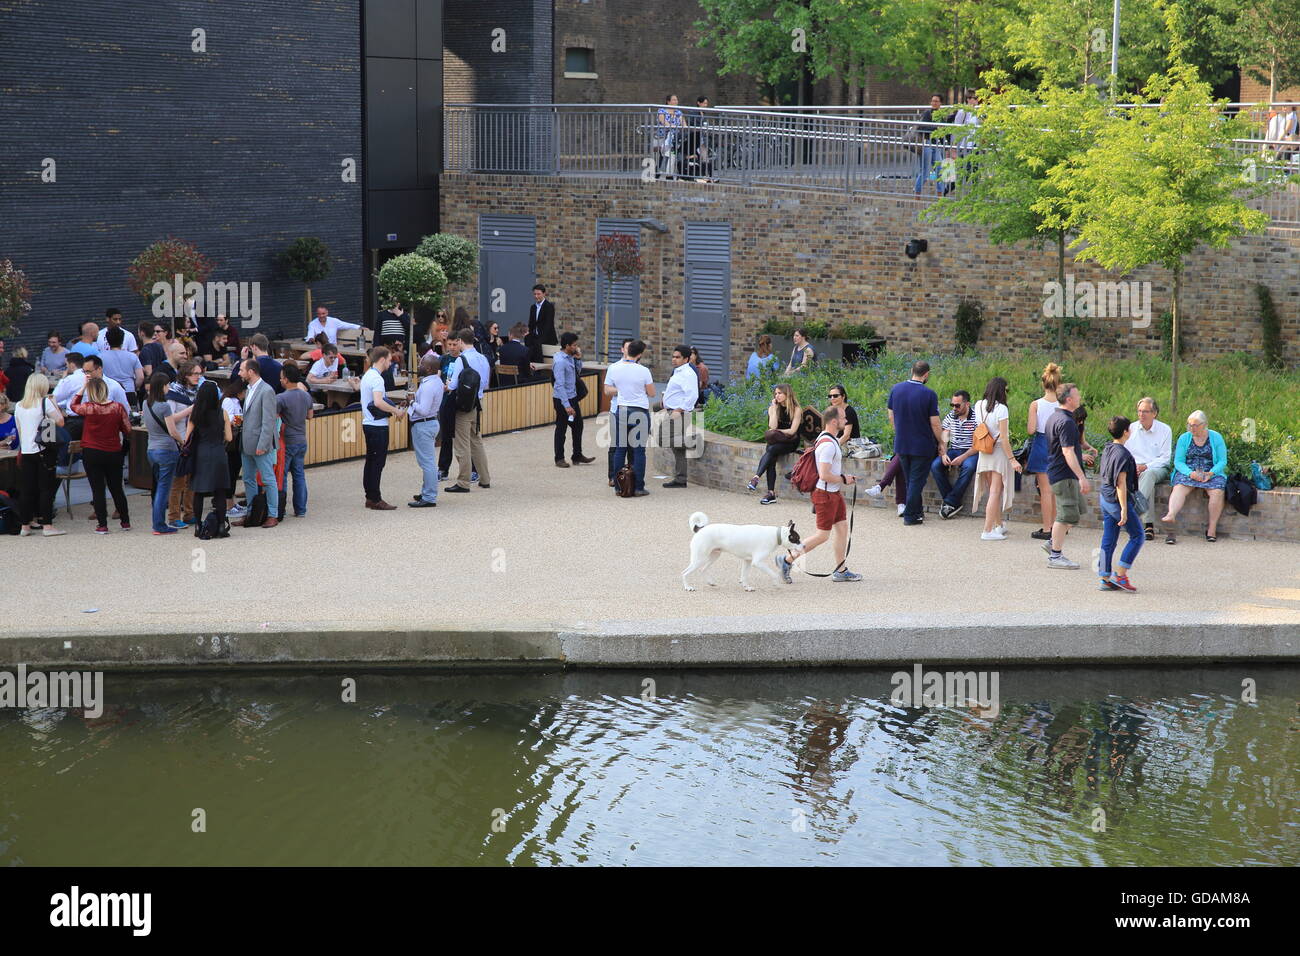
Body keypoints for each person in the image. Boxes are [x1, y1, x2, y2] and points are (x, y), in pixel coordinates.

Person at [777, 406, 862, 584]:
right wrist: (844, 478)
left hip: (833, 493)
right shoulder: (829, 445)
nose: (846, 421)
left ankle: (841, 569)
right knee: (822, 535)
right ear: (833, 421)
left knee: (842, 529)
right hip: (825, 494)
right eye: (843, 418)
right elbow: (824, 474)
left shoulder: (827, 438)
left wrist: (842, 480)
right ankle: (786, 560)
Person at [70, 377, 132, 533]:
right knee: (116, 487)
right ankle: (125, 521)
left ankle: (102, 524)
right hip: (113, 451)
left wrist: (83, 387)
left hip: (91, 451)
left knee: (97, 489)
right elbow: (127, 429)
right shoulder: (117, 408)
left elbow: (73, 406)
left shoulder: (89, 408)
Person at [887, 360, 942, 526]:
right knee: (917, 481)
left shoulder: (896, 389)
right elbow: (935, 423)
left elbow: (891, 415)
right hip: (922, 445)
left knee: (911, 480)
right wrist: (942, 442)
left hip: (902, 443)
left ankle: (917, 512)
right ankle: (910, 516)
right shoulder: (929, 394)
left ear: (912, 371)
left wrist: (900, 431)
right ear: (926, 374)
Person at [1161, 409, 1228, 543]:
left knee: (1217, 492)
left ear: (1204, 425)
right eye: (1190, 425)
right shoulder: (1184, 438)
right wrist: (1190, 473)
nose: (1192, 428)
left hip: (1210, 472)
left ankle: (1212, 529)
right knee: (1179, 487)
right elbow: (1178, 461)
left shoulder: (1216, 437)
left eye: (1195, 425)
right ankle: (1171, 515)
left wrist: (1211, 473)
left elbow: (1222, 461)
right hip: (1189, 471)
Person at [13, 373, 66, 536]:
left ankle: (25, 525)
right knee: (46, 489)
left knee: (27, 489)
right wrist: (55, 404)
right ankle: (48, 525)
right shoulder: (45, 402)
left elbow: (20, 428)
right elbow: (61, 421)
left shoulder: (19, 405)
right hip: (43, 450)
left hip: (27, 450)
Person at [1044, 383, 1090, 569]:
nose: (1079, 398)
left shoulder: (1055, 417)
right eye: (1077, 396)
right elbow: (1067, 452)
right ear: (1069, 400)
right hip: (1064, 475)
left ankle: (1054, 541)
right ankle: (1055, 556)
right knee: (1066, 515)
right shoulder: (1067, 422)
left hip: (1062, 473)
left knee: (1077, 511)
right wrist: (1081, 477)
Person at [603, 338, 655, 497]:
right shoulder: (644, 370)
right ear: (639, 354)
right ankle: (638, 487)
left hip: (622, 410)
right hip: (639, 410)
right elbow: (652, 393)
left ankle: (619, 487)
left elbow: (607, 389)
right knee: (639, 451)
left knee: (620, 449)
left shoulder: (614, 368)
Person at [234, 357, 282, 527]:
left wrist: (263, 445)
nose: (239, 372)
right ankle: (252, 514)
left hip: (260, 444)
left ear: (251, 372)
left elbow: (268, 421)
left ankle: (272, 514)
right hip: (247, 443)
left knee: (268, 479)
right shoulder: (249, 389)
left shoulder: (266, 390)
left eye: (241, 369)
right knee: (248, 479)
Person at [1097, 415, 1143, 592]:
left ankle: (1104, 577)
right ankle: (1121, 575)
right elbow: (1120, 484)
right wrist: (1124, 509)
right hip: (1116, 501)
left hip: (1105, 498)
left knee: (1108, 539)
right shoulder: (1123, 454)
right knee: (1138, 535)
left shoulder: (1108, 447)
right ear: (1126, 432)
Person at [974, 377, 1022, 540]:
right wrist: (1012, 459)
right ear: (1002, 391)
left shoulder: (978, 404)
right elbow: (1004, 438)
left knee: (992, 491)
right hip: (998, 452)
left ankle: (998, 525)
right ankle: (987, 530)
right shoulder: (1002, 409)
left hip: (983, 450)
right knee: (996, 492)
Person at [445, 330, 492, 494]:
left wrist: (447, 384)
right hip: (477, 403)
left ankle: (463, 482)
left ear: (460, 341)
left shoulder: (461, 359)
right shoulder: (483, 358)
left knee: (462, 444)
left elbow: (452, 386)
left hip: (463, 406)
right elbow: (485, 384)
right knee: (476, 441)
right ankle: (485, 479)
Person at [359, 346, 406, 509]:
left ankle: (370, 496)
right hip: (377, 426)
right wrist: (396, 411)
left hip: (369, 423)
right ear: (382, 360)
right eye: (389, 359)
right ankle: (375, 498)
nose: (390, 362)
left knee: (371, 461)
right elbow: (378, 402)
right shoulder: (377, 379)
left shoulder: (368, 375)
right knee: (377, 463)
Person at [185, 380, 233, 538]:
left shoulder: (196, 413)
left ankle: (198, 526)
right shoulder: (223, 412)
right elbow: (229, 437)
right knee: (219, 491)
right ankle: (220, 526)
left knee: (198, 491)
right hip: (219, 453)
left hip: (201, 454)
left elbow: (187, 438)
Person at [1126, 396, 1174, 541]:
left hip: (1157, 468)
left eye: (1145, 411)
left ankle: (1131, 512)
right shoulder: (1131, 428)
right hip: (1135, 468)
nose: (1141, 414)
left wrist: (1146, 466)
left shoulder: (1165, 429)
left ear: (1154, 413)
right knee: (1148, 484)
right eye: (1139, 411)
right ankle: (1148, 526)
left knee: (1148, 475)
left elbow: (1165, 458)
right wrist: (1133, 466)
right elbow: (1125, 452)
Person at [747, 383, 801, 505]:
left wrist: (777, 432)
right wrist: (774, 409)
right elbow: (773, 426)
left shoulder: (796, 409)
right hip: (776, 441)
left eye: (780, 393)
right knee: (771, 451)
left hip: (790, 441)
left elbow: (792, 431)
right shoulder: (773, 408)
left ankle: (757, 479)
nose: (777, 396)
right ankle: (769, 492)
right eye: (775, 393)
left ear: (787, 394)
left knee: (771, 448)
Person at [1025, 362, 1062, 541]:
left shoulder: (1036, 404)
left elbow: (1031, 430)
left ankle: (1047, 528)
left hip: (1041, 444)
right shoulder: (1062, 404)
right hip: (1059, 446)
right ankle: (1057, 525)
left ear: (1043, 383)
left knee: (1045, 491)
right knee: (1055, 490)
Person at [143, 373, 183, 535]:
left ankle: (158, 522)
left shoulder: (146, 403)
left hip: (151, 449)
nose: (169, 388)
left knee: (159, 486)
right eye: (167, 385)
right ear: (162, 386)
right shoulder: (164, 406)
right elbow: (172, 431)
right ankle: (159, 524)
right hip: (166, 449)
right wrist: (182, 441)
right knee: (163, 489)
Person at [932, 389, 979, 518]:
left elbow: (977, 445)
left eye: (957, 405)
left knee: (968, 467)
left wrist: (963, 457)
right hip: (954, 450)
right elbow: (944, 439)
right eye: (952, 405)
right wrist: (944, 454)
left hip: (971, 452)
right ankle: (952, 502)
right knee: (935, 465)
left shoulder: (976, 418)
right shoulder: (950, 416)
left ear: (967, 404)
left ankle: (949, 502)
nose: (954, 408)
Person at [658, 344, 699, 488]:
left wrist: (679, 409)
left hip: (678, 413)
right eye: (673, 356)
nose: (674, 359)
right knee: (678, 449)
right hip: (672, 410)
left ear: (686, 359)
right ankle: (681, 480)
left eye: (677, 357)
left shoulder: (687, 373)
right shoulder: (678, 371)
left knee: (661, 438)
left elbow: (693, 395)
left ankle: (694, 440)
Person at [408, 352, 445, 509]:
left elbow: (423, 410)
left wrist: (412, 402)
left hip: (424, 424)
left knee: (427, 463)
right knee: (427, 461)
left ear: (429, 368)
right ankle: (426, 492)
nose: (418, 366)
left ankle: (429, 496)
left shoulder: (429, 385)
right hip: (428, 423)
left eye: (421, 363)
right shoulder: (435, 381)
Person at [277, 364, 314, 518]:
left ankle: (281, 509)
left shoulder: (281, 398)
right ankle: (300, 510)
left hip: (287, 441)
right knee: (299, 475)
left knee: (283, 475)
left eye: (281, 377)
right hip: (301, 439)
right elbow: (310, 416)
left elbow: (274, 418)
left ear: (285, 379)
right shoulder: (306, 395)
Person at [552, 332, 593, 467]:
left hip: (572, 397)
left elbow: (577, 373)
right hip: (563, 400)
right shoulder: (560, 362)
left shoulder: (570, 357)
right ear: (567, 345)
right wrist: (567, 405)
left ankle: (577, 455)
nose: (577, 347)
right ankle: (559, 458)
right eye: (574, 345)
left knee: (578, 426)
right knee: (561, 428)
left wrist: (578, 359)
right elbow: (559, 385)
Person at [606, 338, 634, 487]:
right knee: (615, 446)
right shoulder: (614, 367)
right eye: (627, 348)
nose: (629, 350)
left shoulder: (639, 368)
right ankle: (613, 476)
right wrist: (623, 390)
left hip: (634, 411)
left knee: (632, 446)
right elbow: (607, 390)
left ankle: (630, 476)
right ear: (622, 350)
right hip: (617, 410)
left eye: (632, 348)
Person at [913, 93, 952, 196]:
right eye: (933, 101)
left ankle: (940, 196)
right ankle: (917, 194)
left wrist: (947, 147)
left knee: (940, 170)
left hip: (936, 145)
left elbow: (943, 133)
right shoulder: (927, 113)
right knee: (925, 172)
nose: (934, 103)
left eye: (936, 101)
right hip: (926, 144)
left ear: (940, 103)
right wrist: (935, 128)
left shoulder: (942, 116)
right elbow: (922, 128)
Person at [220, 377, 247, 518]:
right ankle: (228, 505)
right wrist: (241, 419)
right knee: (230, 472)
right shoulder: (228, 401)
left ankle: (231, 503)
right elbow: (227, 419)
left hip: (237, 441)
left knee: (234, 472)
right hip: (231, 441)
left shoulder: (236, 401)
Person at [100, 325, 143, 408]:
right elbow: (140, 377)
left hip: (109, 393)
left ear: (107, 340)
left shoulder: (100, 357)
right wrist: (134, 387)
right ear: (122, 340)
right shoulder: (132, 356)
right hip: (129, 391)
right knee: (132, 417)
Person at [656, 94, 686, 178]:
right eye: (674, 100)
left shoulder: (678, 112)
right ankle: (658, 173)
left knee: (672, 154)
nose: (676, 101)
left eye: (676, 100)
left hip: (675, 136)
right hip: (663, 136)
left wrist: (684, 127)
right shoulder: (662, 111)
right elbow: (663, 121)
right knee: (664, 154)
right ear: (668, 101)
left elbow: (683, 123)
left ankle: (670, 174)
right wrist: (671, 126)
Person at [526, 285, 557, 363]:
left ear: (544, 294)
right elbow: (531, 324)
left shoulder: (549, 307)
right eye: (534, 294)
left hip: (547, 338)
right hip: (535, 337)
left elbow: (548, 325)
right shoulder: (533, 307)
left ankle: (539, 370)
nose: (536, 296)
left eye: (538, 294)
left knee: (537, 347)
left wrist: (540, 340)